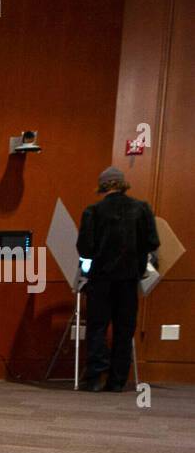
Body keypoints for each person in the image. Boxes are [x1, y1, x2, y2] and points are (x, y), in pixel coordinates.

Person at [76, 166, 159, 392]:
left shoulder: (92, 211)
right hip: (129, 278)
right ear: (122, 184)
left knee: (97, 327)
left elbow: (85, 248)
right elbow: (152, 242)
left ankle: (94, 377)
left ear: (103, 185)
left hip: (100, 279)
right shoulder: (142, 209)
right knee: (124, 329)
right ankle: (117, 380)